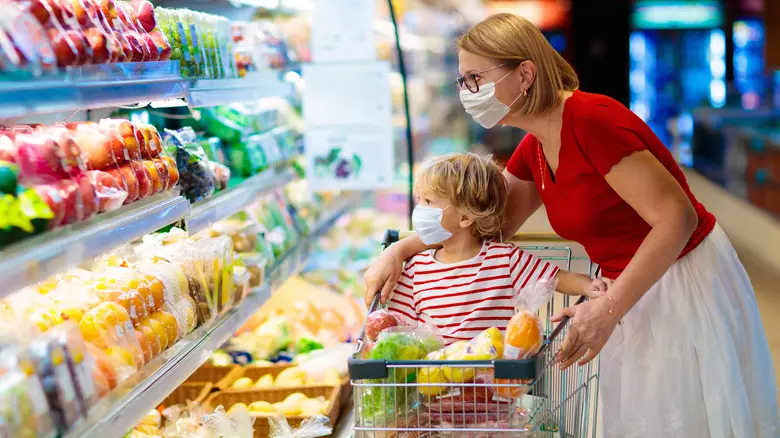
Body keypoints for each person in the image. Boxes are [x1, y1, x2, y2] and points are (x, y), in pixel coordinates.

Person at [365, 13, 779, 438]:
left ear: (524, 74)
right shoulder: (537, 145)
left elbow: (678, 218)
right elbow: (482, 223)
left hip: (679, 278)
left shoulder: (592, 121)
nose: (468, 92)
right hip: (626, 286)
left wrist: (608, 307)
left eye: (475, 78)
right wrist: (401, 250)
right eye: (462, 81)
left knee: (682, 418)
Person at [384, 152, 606, 344]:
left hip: (492, 387)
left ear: (466, 216)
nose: (420, 210)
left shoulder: (503, 259)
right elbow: (396, 328)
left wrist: (588, 286)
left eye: (429, 202)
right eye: (419, 200)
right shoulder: (415, 269)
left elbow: (556, 278)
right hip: (433, 386)